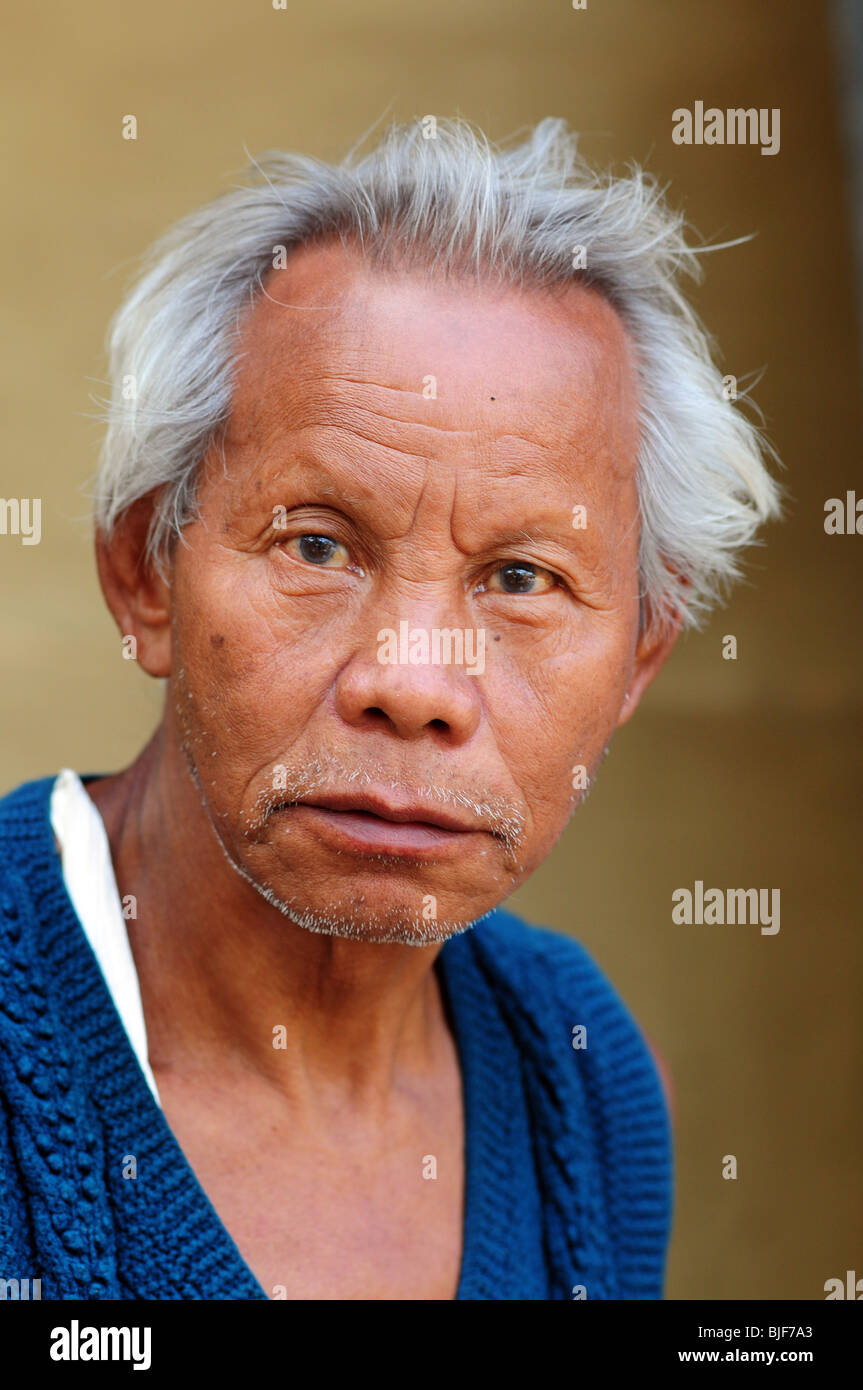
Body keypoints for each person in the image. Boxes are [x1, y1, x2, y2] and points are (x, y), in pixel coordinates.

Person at [0, 118, 781, 1300]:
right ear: (146, 575)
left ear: (636, 657)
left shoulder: (591, 1087)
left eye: (522, 579)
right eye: (316, 544)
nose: (411, 682)